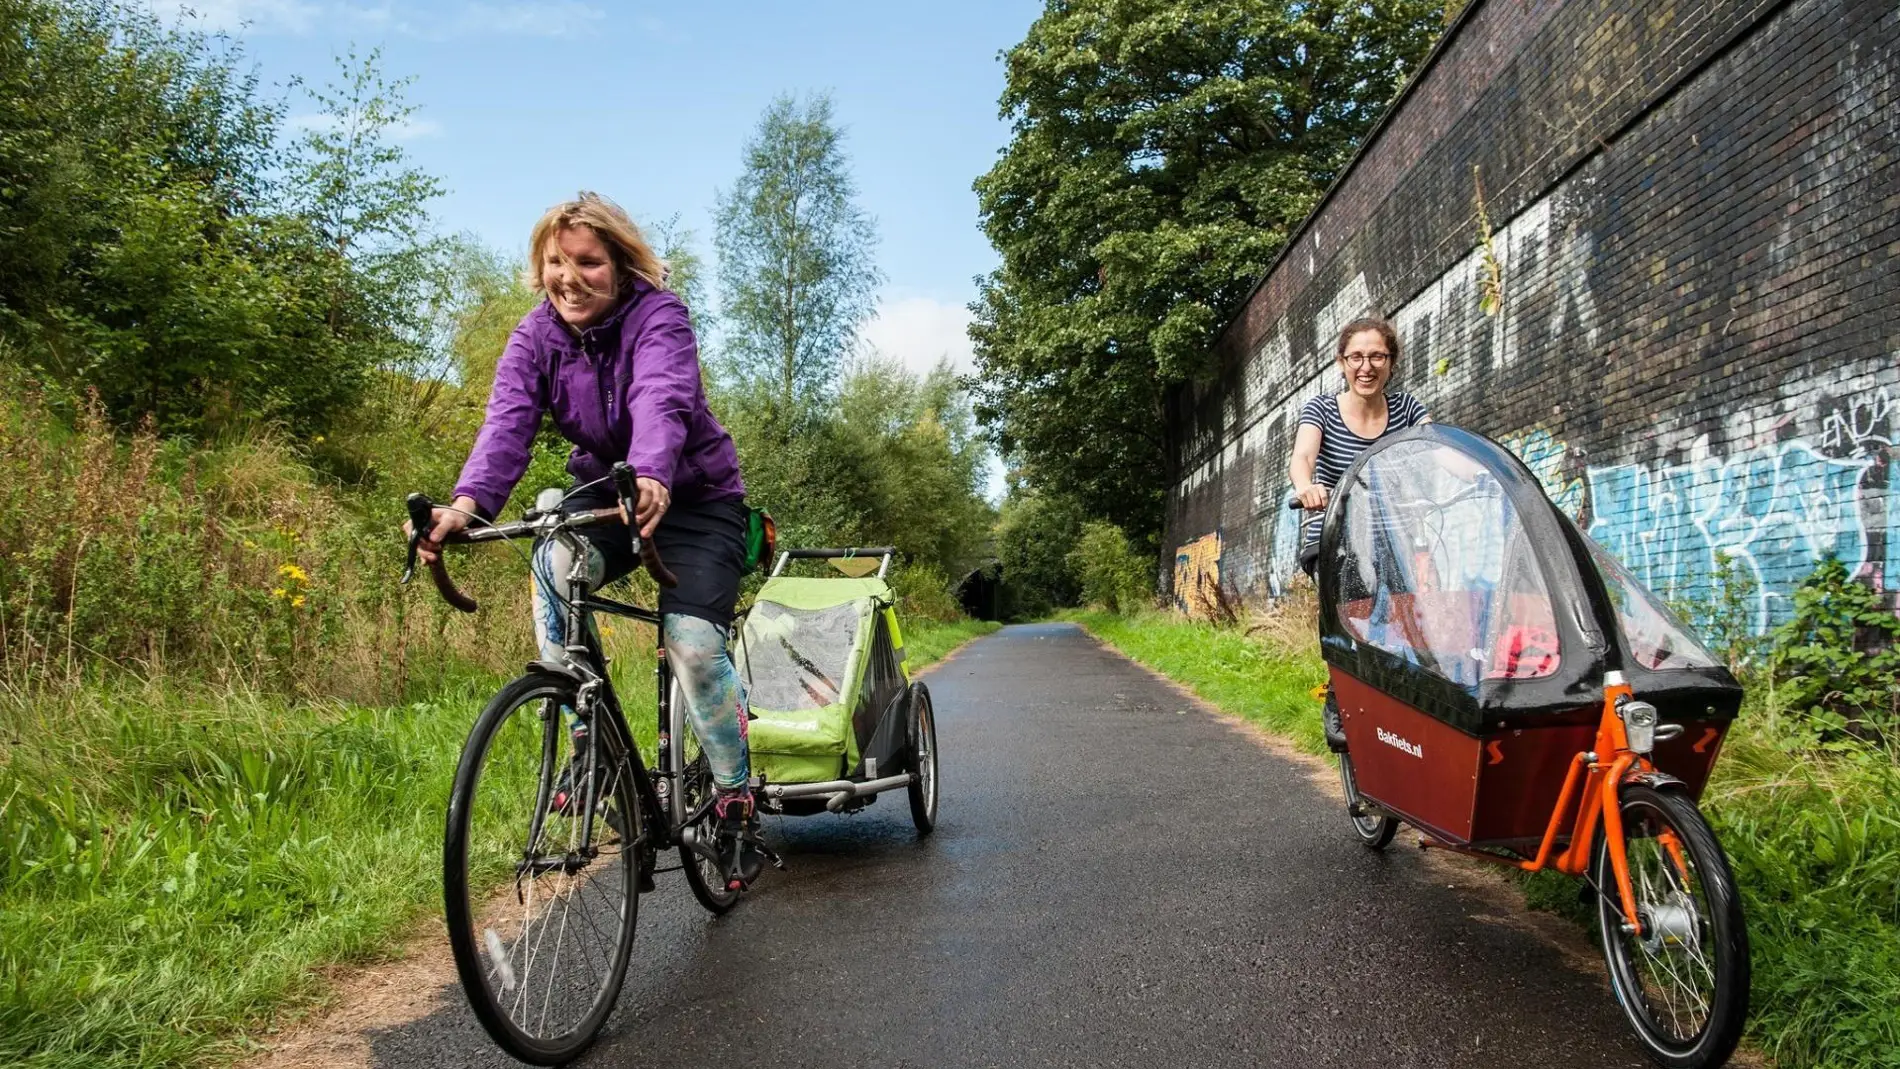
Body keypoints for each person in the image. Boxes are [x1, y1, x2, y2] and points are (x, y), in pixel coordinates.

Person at [415, 192, 763, 889]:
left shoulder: (659, 315)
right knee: (551, 545)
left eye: (588, 263)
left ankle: (735, 800)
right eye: (555, 262)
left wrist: (654, 472)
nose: (569, 279)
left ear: (621, 264)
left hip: (695, 499)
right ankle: (592, 745)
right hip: (607, 491)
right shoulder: (534, 336)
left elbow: (661, 396)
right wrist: (464, 505)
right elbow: (506, 424)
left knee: (693, 646)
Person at [1287, 316, 1430, 751]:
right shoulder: (1321, 409)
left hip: (1393, 533)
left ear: (1391, 362)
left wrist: (1472, 474)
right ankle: (1338, 691)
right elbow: (1302, 456)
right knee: (1355, 602)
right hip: (1334, 530)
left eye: (1377, 357)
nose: (1366, 367)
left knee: (1416, 614)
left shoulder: (1406, 409)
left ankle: (1419, 703)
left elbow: (1436, 447)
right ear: (1342, 362)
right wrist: (1306, 487)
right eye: (1356, 357)